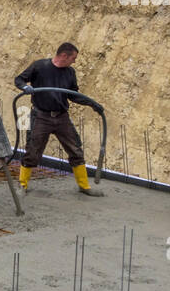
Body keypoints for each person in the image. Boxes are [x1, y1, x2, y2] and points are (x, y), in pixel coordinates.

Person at [14, 42, 103, 196]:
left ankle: (84, 186)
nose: (74, 61)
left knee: (75, 149)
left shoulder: (70, 72)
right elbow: (19, 79)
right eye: (73, 58)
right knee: (33, 151)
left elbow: (73, 95)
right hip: (41, 116)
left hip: (62, 117)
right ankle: (22, 185)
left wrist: (92, 104)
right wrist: (25, 87)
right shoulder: (40, 66)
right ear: (64, 55)